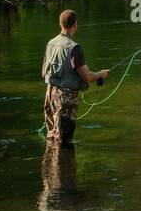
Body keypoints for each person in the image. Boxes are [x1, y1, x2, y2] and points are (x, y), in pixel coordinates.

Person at [41, 10, 109, 144]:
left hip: (50, 95)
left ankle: (50, 164)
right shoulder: (74, 48)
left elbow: (43, 72)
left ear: (60, 24)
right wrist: (101, 74)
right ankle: (63, 165)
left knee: (52, 137)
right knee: (64, 140)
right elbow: (87, 77)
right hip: (65, 99)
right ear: (75, 25)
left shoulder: (51, 43)